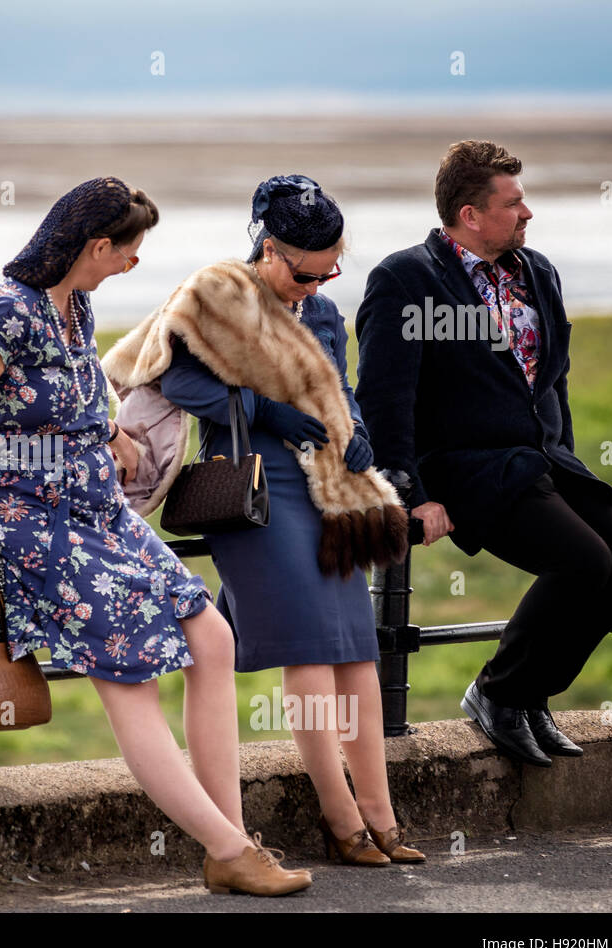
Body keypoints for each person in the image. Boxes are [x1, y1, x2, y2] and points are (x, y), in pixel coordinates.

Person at [0, 176, 311, 895]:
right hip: (32, 523)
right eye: (128, 251)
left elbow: (75, 391)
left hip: (101, 509)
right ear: (97, 245)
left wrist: (110, 430)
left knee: (211, 638)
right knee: (132, 677)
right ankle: (230, 850)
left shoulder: (77, 306)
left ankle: (229, 843)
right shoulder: (7, 315)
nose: (134, 263)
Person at [106, 175, 423, 866]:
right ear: (269, 248)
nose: (314, 285)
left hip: (325, 487)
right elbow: (173, 379)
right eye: (305, 272)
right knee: (310, 649)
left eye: (328, 271)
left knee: (357, 651)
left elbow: (339, 385)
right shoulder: (217, 297)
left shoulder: (326, 313)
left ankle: (381, 815)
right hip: (251, 487)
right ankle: (342, 822)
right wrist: (264, 410)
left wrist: (357, 425)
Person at [355, 140, 612, 768]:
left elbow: (554, 380)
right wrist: (411, 493)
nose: (528, 213)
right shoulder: (407, 278)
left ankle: (528, 694)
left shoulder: (536, 271)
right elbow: (386, 398)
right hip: (469, 470)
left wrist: (567, 459)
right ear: (470, 214)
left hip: (542, 460)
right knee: (582, 561)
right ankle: (497, 693)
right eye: (514, 202)